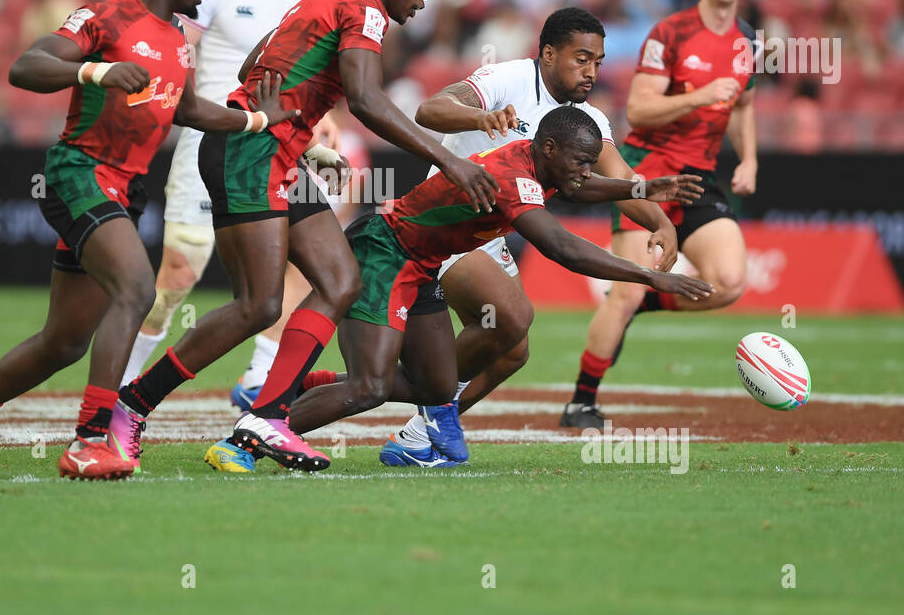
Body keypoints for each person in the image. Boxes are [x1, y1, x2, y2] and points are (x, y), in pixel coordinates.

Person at [0, 0, 298, 479]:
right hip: (80, 174)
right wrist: (95, 69)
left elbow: (187, 110)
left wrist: (258, 120)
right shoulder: (105, 17)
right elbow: (27, 67)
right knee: (138, 288)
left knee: (64, 341)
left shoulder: (178, 39)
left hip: (125, 187)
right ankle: (90, 441)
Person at [114, 0, 498, 474]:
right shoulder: (363, 7)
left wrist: (302, 142)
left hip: (269, 151)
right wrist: (448, 158)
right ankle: (132, 404)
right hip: (252, 154)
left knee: (341, 280)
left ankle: (266, 415)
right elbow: (364, 99)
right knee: (259, 305)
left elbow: (254, 66)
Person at [282, 107, 713, 454]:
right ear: (550, 150)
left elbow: (580, 186)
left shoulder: (542, 162)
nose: (585, 171)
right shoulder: (514, 178)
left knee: (437, 386)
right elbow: (561, 246)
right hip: (386, 254)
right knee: (370, 387)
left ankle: (319, 385)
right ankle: (260, 431)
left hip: (424, 263)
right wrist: (650, 277)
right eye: (581, 162)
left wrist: (637, 189)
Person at [380, 7, 699, 465]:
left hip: (489, 234)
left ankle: (413, 437)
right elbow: (429, 110)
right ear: (548, 53)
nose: (591, 71)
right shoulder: (506, 78)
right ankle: (405, 391)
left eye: (598, 62)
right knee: (511, 316)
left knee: (512, 351)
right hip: (444, 223)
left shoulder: (586, 119)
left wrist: (661, 222)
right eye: (581, 59)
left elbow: (619, 179)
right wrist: (478, 119)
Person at [119, 0, 334, 416]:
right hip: (211, 138)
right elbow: (180, 52)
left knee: (300, 264)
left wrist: (321, 131)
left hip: (278, 146)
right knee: (181, 270)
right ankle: (123, 379)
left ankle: (259, 376)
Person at [566, 0, 760, 429]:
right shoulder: (670, 33)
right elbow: (638, 108)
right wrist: (697, 97)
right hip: (648, 172)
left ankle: (643, 298)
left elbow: (742, 103)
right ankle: (581, 402)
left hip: (700, 176)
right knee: (625, 291)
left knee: (731, 282)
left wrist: (750, 159)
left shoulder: (748, 42)